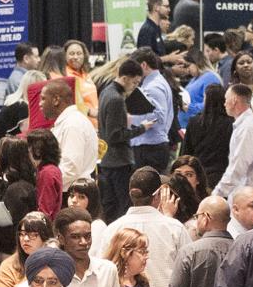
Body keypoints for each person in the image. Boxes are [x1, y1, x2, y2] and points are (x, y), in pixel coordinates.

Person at [98, 168, 190, 287]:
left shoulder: (112, 229)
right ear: (158, 194)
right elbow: (189, 272)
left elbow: (102, 272)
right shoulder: (175, 228)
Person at [98, 59, 148, 220]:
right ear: (125, 78)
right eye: (134, 82)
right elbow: (115, 135)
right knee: (123, 206)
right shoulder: (116, 99)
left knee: (110, 204)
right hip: (118, 160)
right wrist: (142, 129)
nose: (135, 87)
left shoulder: (106, 92)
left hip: (107, 159)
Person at [212, 84, 253, 196]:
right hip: (247, 193)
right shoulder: (246, 124)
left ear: (234, 100)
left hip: (251, 194)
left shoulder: (248, 127)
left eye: (226, 99)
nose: (224, 104)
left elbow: (238, 167)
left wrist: (217, 194)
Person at [41, 78, 97, 190]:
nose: (40, 104)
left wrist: (42, 180)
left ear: (56, 100)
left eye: (43, 99)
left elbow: (71, 169)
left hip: (72, 194)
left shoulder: (72, 124)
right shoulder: (69, 122)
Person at [129, 49, 175, 172]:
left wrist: (131, 119)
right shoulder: (155, 83)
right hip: (151, 147)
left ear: (143, 65)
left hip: (150, 149)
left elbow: (159, 118)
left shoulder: (153, 87)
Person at [0, 212, 52, 287]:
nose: (25, 239)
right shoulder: (9, 265)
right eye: (22, 234)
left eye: (33, 235)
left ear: (45, 237)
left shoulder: (57, 262)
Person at [25, 128, 64, 219]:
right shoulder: (52, 169)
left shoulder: (47, 173)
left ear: (37, 151)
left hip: (45, 228)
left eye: (29, 148)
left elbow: (44, 210)